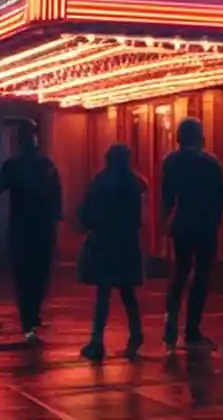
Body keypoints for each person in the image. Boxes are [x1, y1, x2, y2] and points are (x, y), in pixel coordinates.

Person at [0, 120, 63, 343]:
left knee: (24, 275)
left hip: (22, 228)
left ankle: (28, 317)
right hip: (42, 227)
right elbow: (56, 194)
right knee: (39, 275)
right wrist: (57, 215)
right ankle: (31, 315)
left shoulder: (14, 165)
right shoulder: (46, 165)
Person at [161, 117, 223, 352]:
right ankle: (192, 329)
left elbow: (167, 197)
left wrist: (165, 222)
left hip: (183, 223)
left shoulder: (171, 162)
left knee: (179, 274)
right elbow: (222, 195)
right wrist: (216, 218)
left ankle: (170, 323)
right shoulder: (210, 163)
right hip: (205, 225)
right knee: (200, 277)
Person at [78, 144, 147, 361]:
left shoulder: (101, 182)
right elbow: (137, 216)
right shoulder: (134, 183)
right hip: (126, 241)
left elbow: (87, 211)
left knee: (104, 292)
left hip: (105, 241)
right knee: (127, 293)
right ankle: (135, 334)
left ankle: (97, 340)